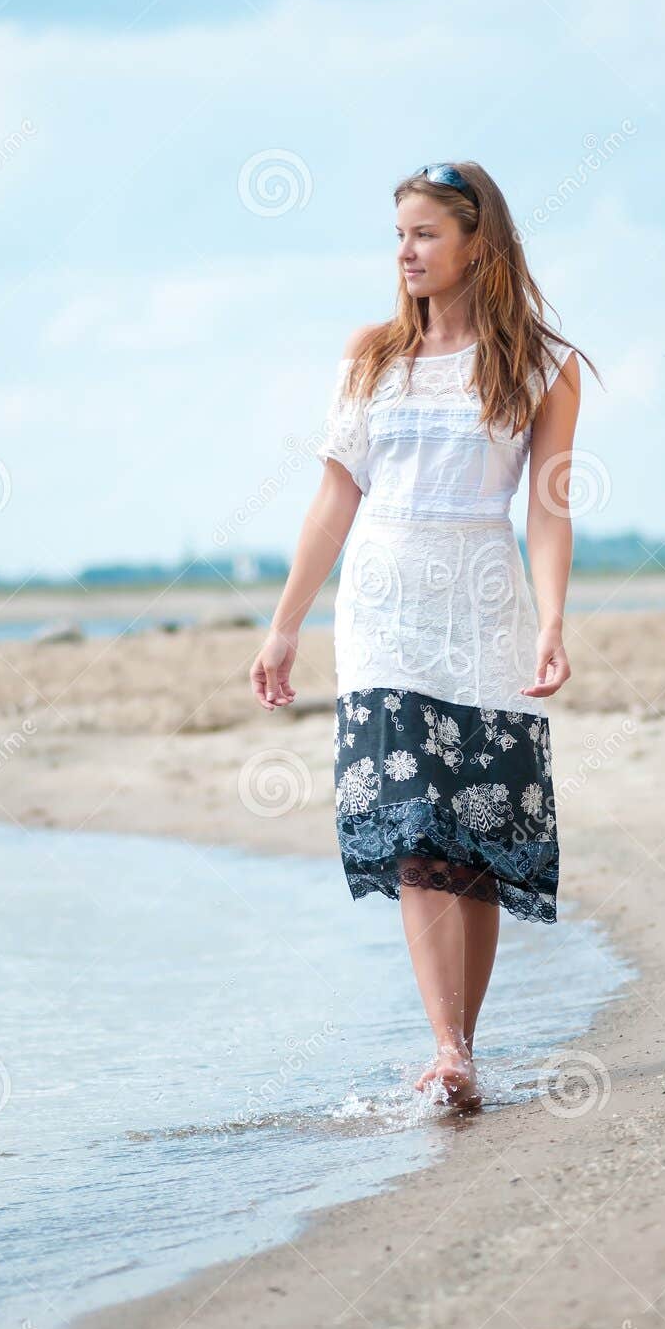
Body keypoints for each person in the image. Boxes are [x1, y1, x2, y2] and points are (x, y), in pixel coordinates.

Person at [251, 162, 597, 1110]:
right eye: (397, 234)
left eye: (424, 234)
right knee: (413, 830)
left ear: (477, 242)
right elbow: (335, 499)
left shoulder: (538, 362)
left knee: (473, 835)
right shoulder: (370, 356)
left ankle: (463, 1048)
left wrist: (554, 616)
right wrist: (285, 625)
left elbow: (550, 507)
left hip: (486, 611)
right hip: (382, 615)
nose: (404, 251)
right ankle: (445, 1047)